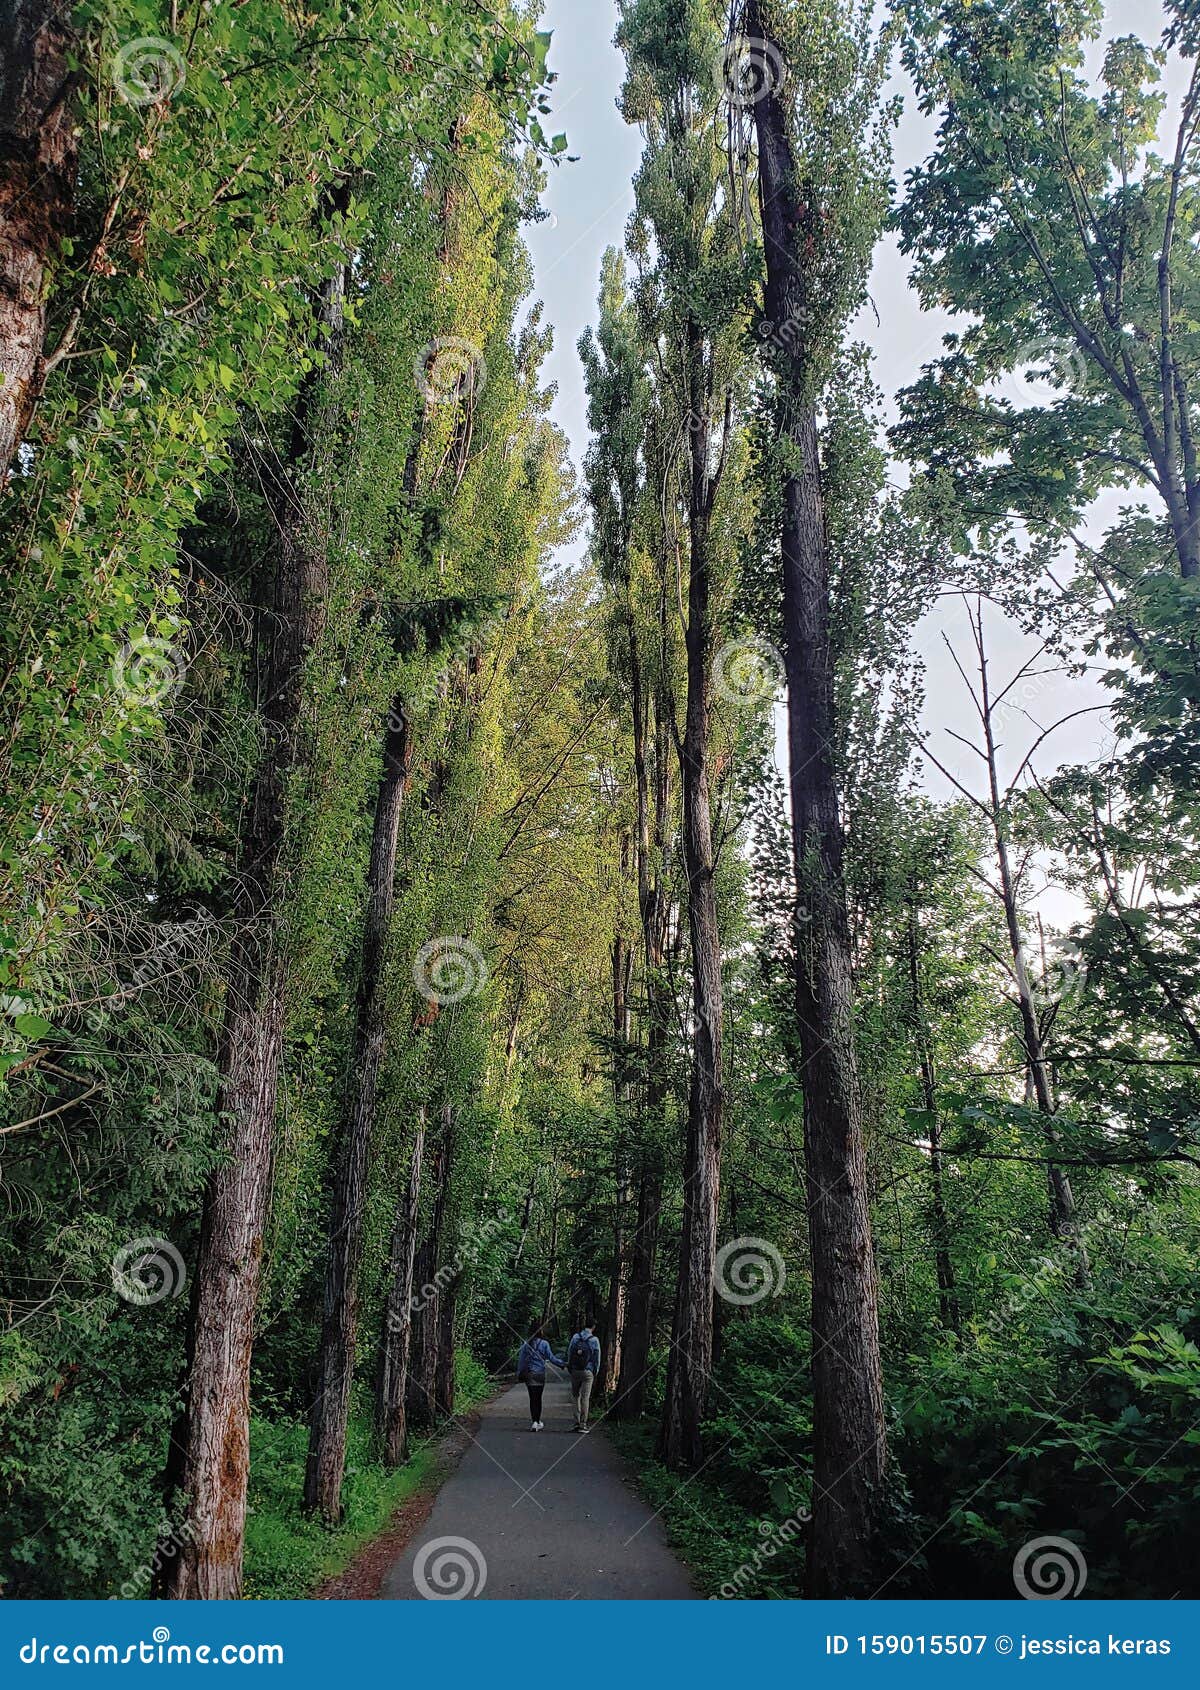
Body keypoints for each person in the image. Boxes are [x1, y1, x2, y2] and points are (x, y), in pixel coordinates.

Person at [516, 1323, 563, 1431]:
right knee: (538, 1399)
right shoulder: (544, 1343)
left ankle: (534, 1422)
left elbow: (521, 1361)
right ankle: (538, 1421)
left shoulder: (525, 1344)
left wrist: (519, 1373)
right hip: (540, 1374)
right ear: (540, 1331)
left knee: (532, 1399)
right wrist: (562, 1364)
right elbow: (551, 1358)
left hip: (529, 1374)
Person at [565, 1320, 601, 1432]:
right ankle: (583, 1424)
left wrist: (570, 1367)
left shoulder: (575, 1337)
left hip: (575, 1371)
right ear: (593, 1327)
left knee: (575, 1395)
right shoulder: (594, 1340)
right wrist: (595, 1371)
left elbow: (569, 1353)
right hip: (587, 1372)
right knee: (585, 1397)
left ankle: (576, 1422)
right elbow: (597, 1358)